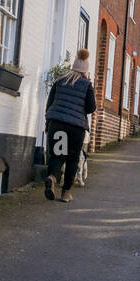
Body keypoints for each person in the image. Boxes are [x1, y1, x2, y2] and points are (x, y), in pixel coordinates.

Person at [44, 48, 96, 203]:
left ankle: (52, 178)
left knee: (57, 155)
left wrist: (48, 125)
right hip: (76, 127)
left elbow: (50, 103)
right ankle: (65, 193)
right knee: (72, 159)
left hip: (57, 123)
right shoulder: (86, 85)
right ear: (86, 69)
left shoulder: (60, 80)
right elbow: (90, 108)